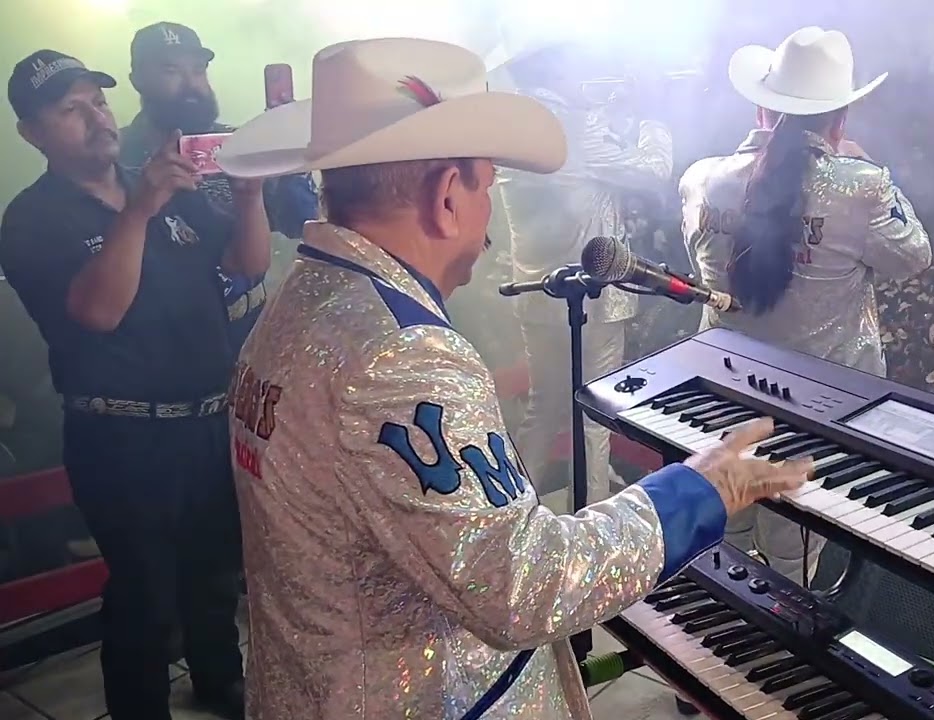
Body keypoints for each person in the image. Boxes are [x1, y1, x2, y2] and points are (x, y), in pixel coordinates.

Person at [215, 38, 809, 720]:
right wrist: (699, 490)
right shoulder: (403, 356)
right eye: (487, 182)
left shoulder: (296, 302)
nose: (491, 217)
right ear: (447, 195)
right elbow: (522, 584)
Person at [0, 49, 271, 720]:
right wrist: (139, 211)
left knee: (215, 578)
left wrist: (248, 194)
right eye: (71, 110)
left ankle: (219, 684)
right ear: (32, 133)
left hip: (207, 423)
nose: (97, 119)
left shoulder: (158, 184)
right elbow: (99, 311)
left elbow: (245, 263)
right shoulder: (33, 218)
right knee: (145, 596)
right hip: (122, 436)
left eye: (99, 101)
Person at [679, 27, 931, 582]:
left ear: (761, 109)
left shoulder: (702, 179)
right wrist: (871, 169)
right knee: (796, 545)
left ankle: (717, 637)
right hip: (821, 402)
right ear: (840, 118)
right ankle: (780, 651)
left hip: (720, 389)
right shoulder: (861, 187)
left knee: (728, 529)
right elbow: (915, 254)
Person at [491, 28, 674, 505]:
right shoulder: (574, 124)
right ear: (554, 65)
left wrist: (609, 110)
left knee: (545, 409)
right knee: (593, 419)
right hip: (590, 297)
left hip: (536, 290)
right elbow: (651, 170)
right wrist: (654, 114)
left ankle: (513, 515)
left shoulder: (512, 124)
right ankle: (589, 528)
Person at [118, 21, 318, 354]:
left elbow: (301, 222)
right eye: (172, 70)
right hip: (161, 348)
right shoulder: (117, 157)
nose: (191, 85)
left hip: (251, 344)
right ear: (137, 79)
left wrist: (296, 162)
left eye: (198, 70)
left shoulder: (239, 145)